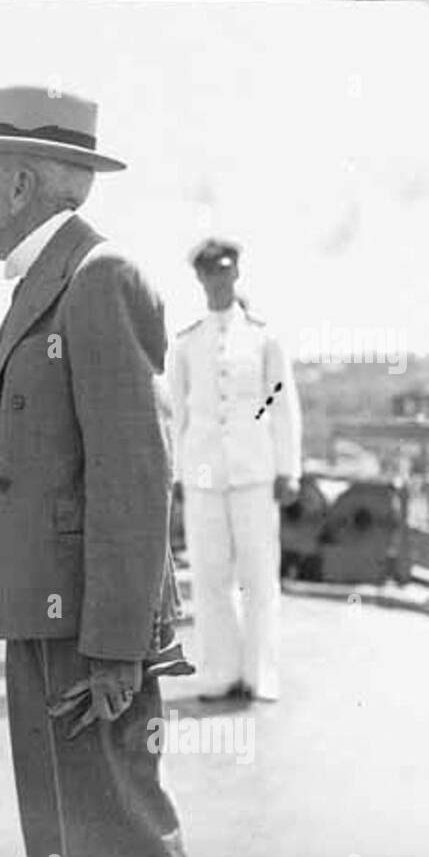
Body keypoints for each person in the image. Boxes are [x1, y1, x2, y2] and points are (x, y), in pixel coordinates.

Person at [0, 84, 188, 857]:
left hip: (86, 632)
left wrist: (117, 647)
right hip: (46, 619)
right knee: (63, 847)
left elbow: (135, 475)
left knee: (118, 844)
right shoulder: (51, 278)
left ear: (20, 184)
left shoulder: (99, 277)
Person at [168, 238, 301, 702]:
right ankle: (220, 672)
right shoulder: (187, 341)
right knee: (209, 577)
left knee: (260, 574)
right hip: (203, 472)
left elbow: (282, 405)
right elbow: (177, 413)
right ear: (199, 278)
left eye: (224, 271)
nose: (216, 280)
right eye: (207, 272)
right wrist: (176, 475)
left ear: (236, 274)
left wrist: (290, 469)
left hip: (254, 471)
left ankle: (260, 673)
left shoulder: (264, 336)